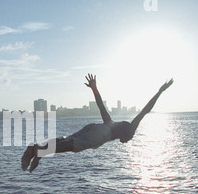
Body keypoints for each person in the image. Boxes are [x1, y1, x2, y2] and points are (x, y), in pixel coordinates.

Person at [22, 74, 174, 173]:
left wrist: (94, 88)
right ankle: (36, 150)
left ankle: (39, 152)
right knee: (71, 145)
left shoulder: (111, 123)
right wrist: (160, 92)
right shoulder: (130, 130)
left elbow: (102, 107)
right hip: (100, 135)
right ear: (128, 133)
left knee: (66, 140)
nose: (125, 142)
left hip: (94, 127)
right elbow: (145, 110)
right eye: (127, 140)